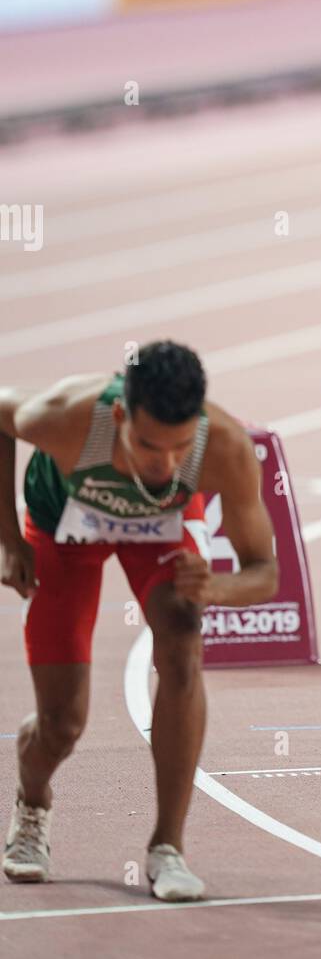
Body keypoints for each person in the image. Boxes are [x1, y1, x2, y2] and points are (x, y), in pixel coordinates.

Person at [0, 341, 278, 900]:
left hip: (160, 530)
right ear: (122, 416)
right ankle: (33, 802)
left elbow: (264, 572)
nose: (166, 465)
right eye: (150, 446)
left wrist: (214, 588)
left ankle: (166, 847)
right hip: (65, 530)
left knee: (182, 640)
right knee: (62, 723)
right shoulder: (66, 416)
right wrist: (9, 538)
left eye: (180, 448)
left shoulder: (221, 446)